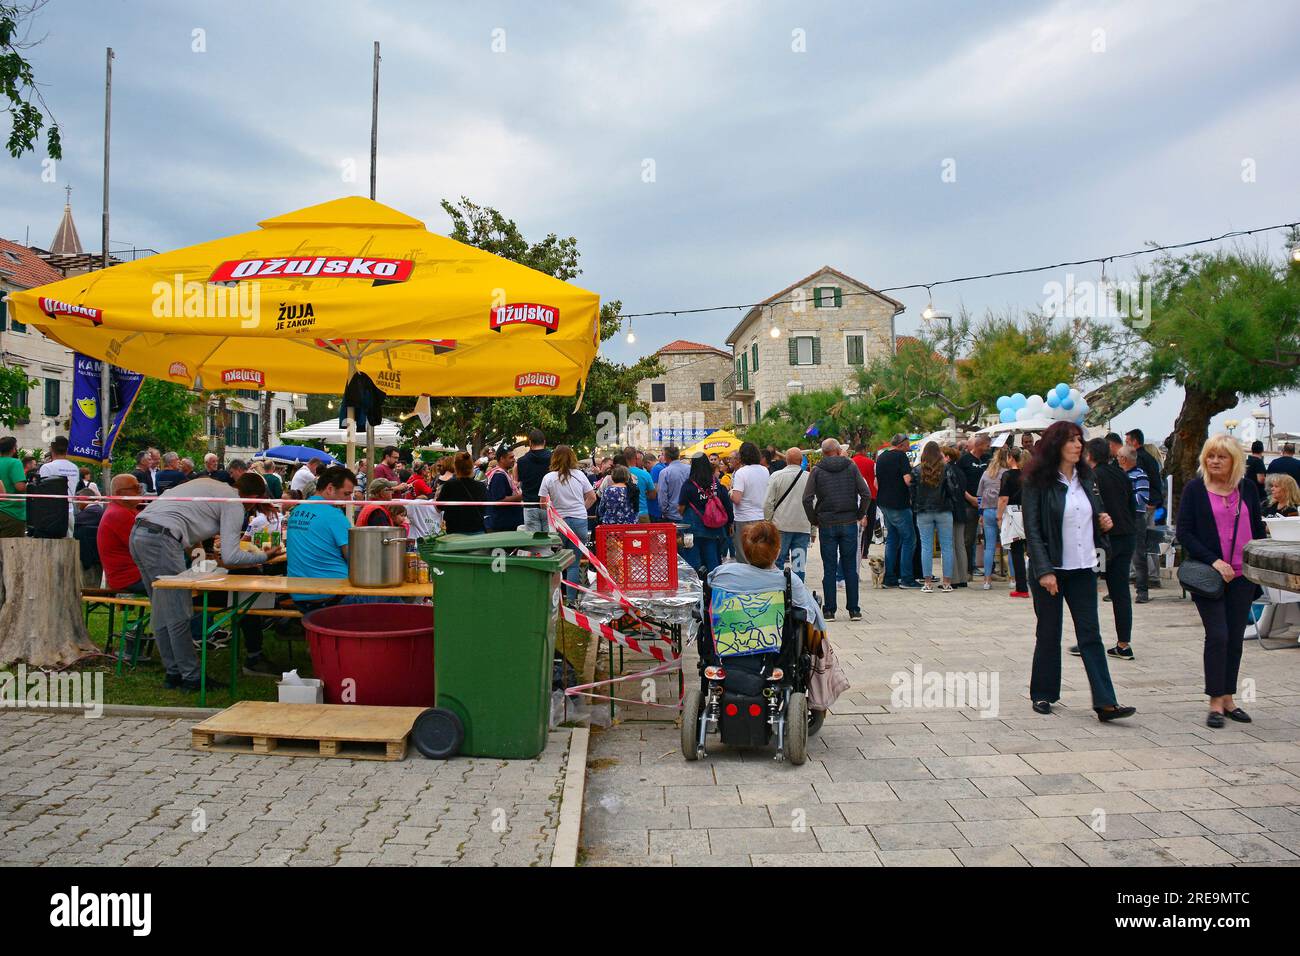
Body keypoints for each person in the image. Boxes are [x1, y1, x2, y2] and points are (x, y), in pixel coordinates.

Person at [1022, 421, 1134, 722]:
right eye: (1071, 440)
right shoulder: (1037, 482)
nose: (1077, 445)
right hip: (1052, 570)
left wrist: (1103, 526)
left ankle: (1106, 702)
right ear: (1056, 445)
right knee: (1049, 632)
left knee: (1090, 635)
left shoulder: (1087, 479)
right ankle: (1043, 693)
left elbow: (1091, 519)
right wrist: (1045, 570)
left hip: (1084, 566)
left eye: (1079, 440)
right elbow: (1032, 530)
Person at [129, 472, 281, 692]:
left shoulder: (211, 485)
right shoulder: (234, 502)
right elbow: (231, 557)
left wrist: (198, 551)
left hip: (140, 533)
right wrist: (265, 557)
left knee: (161, 609)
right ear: (254, 497)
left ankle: (173, 673)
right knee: (179, 612)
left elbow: (187, 517)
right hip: (163, 539)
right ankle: (191, 678)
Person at [1177, 434, 1266, 729]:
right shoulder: (1195, 489)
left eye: (1221, 456)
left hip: (1243, 575)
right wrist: (1214, 560)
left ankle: (1228, 698)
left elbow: (1256, 529)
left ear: (1234, 461)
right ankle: (1215, 700)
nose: (1214, 461)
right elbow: (1185, 532)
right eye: (1211, 455)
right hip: (1209, 574)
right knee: (1218, 635)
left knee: (1235, 639)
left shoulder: (1248, 489)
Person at [1080, 438, 1138, 661]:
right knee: (1120, 589)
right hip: (1126, 536)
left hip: (1103, 541)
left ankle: (1089, 639)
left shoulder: (1091, 477)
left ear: (1089, 456)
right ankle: (1124, 643)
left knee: (1089, 588)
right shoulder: (1121, 474)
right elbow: (1132, 506)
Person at [803, 438, 871, 621]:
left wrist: (814, 519)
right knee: (850, 567)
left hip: (827, 523)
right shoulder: (851, 467)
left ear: (823, 452)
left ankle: (829, 610)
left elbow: (807, 499)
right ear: (839, 450)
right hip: (848, 521)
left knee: (829, 568)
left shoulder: (817, 471)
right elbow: (866, 494)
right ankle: (854, 609)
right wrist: (859, 513)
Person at [539, 445, 596, 602]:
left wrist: (553, 509)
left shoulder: (548, 478)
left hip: (559, 522)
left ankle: (556, 599)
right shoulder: (580, 475)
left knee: (558, 562)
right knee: (573, 563)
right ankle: (571, 600)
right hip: (579, 521)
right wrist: (581, 510)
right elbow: (592, 497)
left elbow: (543, 504)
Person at [911, 441, 961, 593]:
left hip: (923, 511)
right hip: (944, 510)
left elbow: (912, 491)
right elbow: (953, 489)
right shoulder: (946, 469)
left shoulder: (917, 470)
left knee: (926, 547)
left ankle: (927, 582)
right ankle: (947, 582)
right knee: (947, 547)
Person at [678, 452, 733, 576]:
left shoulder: (689, 484)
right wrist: (730, 523)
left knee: (693, 563)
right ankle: (713, 587)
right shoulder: (715, 483)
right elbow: (726, 504)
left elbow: (681, 507)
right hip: (713, 529)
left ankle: (697, 585)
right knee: (712, 560)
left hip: (692, 528)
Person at [875, 433, 919, 589]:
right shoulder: (901, 457)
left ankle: (890, 577)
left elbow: (876, 483)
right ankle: (907, 578)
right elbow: (907, 480)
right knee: (909, 539)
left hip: (884, 503)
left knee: (892, 539)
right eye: (907, 445)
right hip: (899, 504)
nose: (909, 447)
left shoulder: (881, 457)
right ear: (901, 445)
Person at [764, 447, 812, 581]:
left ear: (786, 460)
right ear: (801, 461)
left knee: (777, 562)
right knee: (799, 564)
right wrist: (812, 528)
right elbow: (813, 503)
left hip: (780, 526)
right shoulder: (808, 477)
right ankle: (798, 592)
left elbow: (768, 502)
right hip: (802, 527)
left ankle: (779, 591)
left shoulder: (776, 476)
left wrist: (768, 521)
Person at [97, 474, 145, 594]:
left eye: (140, 487)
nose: (140, 491)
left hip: (137, 574)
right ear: (119, 493)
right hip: (129, 579)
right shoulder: (119, 514)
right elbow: (145, 546)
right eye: (135, 488)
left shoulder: (126, 510)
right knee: (183, 588)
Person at [1116, 446, 1151, 603]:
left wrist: (1122, 502)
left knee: (1138, 555)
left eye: (1118, 457)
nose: (1116, 459)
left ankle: (1142, 590)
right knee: (1118, 555)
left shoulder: (1140, 475)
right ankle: (1116, 589)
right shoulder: (1118, 475)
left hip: (1136, 517)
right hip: (1121, 518)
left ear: (1124, 458)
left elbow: (1143, 498)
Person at [957, 434, 991, 587]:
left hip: (988, 503)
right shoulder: (964, 461)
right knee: (968, 539)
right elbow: (958, 482)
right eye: (987, 445)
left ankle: (990, 569)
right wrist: (970, 499)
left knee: (990, 539)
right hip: (969, 503)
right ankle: (968, 570)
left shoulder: (988, 459)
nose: (989, 448)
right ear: (979, 445)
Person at [729, 442, 769, 563]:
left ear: (742, 456)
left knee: (744, 555)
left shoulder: (741, 472)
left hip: (744, 519)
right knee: (758, 554)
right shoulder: (765, 470)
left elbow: (736, 499)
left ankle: (746, 580)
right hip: (761, 517)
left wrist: (730, 492)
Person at [996, 446, 1028, 597]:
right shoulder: (1026, 475)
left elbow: (1003, 498)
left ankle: (1021, 587)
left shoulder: (1007, 475)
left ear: (1011, 458)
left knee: (1016, 551)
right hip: (1026, 512)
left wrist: (999, 516)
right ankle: (1028, 583)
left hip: (1012, 513)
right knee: (1029, 549)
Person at [977, 447, 1010, 589]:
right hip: (1003, 512)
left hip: (988, 511)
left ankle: (987, 580)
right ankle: (1013, 578)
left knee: (989, 547)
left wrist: (980, 514)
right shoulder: (1007, 474)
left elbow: (979, 494)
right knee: (1010, 545)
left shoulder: (986, 473)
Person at [436, 453, 487, 534]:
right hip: (478, 532)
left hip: (455, 533)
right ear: (471, 466)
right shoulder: (481, 486)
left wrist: (437, 495)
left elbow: (439, 507)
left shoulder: (449, 485)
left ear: (455, 466)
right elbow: (485, 509)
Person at [39, 435, 81, 535]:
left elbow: (42, 490)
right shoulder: (74, 467)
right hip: (69, 510)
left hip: (50, 513)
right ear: (67, 449)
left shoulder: (47, 467)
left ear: (51, 449)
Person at [515, 429, 553, 533]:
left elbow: (519, 481)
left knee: (534, 542)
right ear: (544, 442)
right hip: (549, 505)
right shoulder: (553, 459)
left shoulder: (521, 461)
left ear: (530, 442)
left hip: (530, 505)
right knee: (551, 540)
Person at [482, 448, 523, 531]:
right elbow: (499, 500)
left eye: (513, 457)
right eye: (510, 457)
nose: (513, 460)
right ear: (502, 459)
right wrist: (520, 497)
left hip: (507, 521)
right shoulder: (499, 476)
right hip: (503, 523)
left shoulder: (503, 473)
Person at [656, 445, 691, 525]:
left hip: (672, 514)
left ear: (666, 456)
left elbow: (662, 495)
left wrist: (664, 510)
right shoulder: (689, 469)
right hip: (688, 512)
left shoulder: (665, 472)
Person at [0, 435, 27, 538]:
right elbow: (20, 487)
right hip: (12, 513)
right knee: (11, 550)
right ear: (13, 449)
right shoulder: (15, 463)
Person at [623, 447, 655, 524]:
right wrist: (643, 493)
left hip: (624, 513)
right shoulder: (645, 474)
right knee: (644, 536)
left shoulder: (620, 473)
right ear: (636, 458)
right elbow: (653, 495)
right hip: (642, 513)